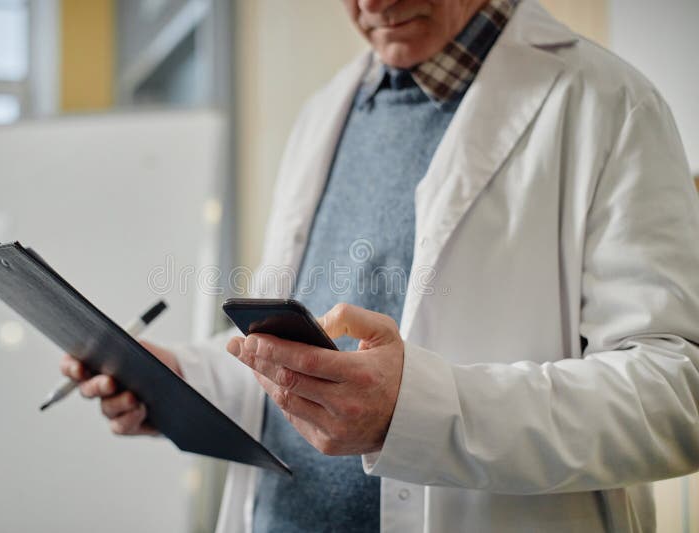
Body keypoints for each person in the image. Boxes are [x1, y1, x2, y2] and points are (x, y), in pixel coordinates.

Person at [61, 0, 699, 531]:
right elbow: (303, 353)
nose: (376, 5)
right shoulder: (324, 112)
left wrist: (418, 412)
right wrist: (179, 381)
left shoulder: (610, 104)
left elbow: (678, 391)